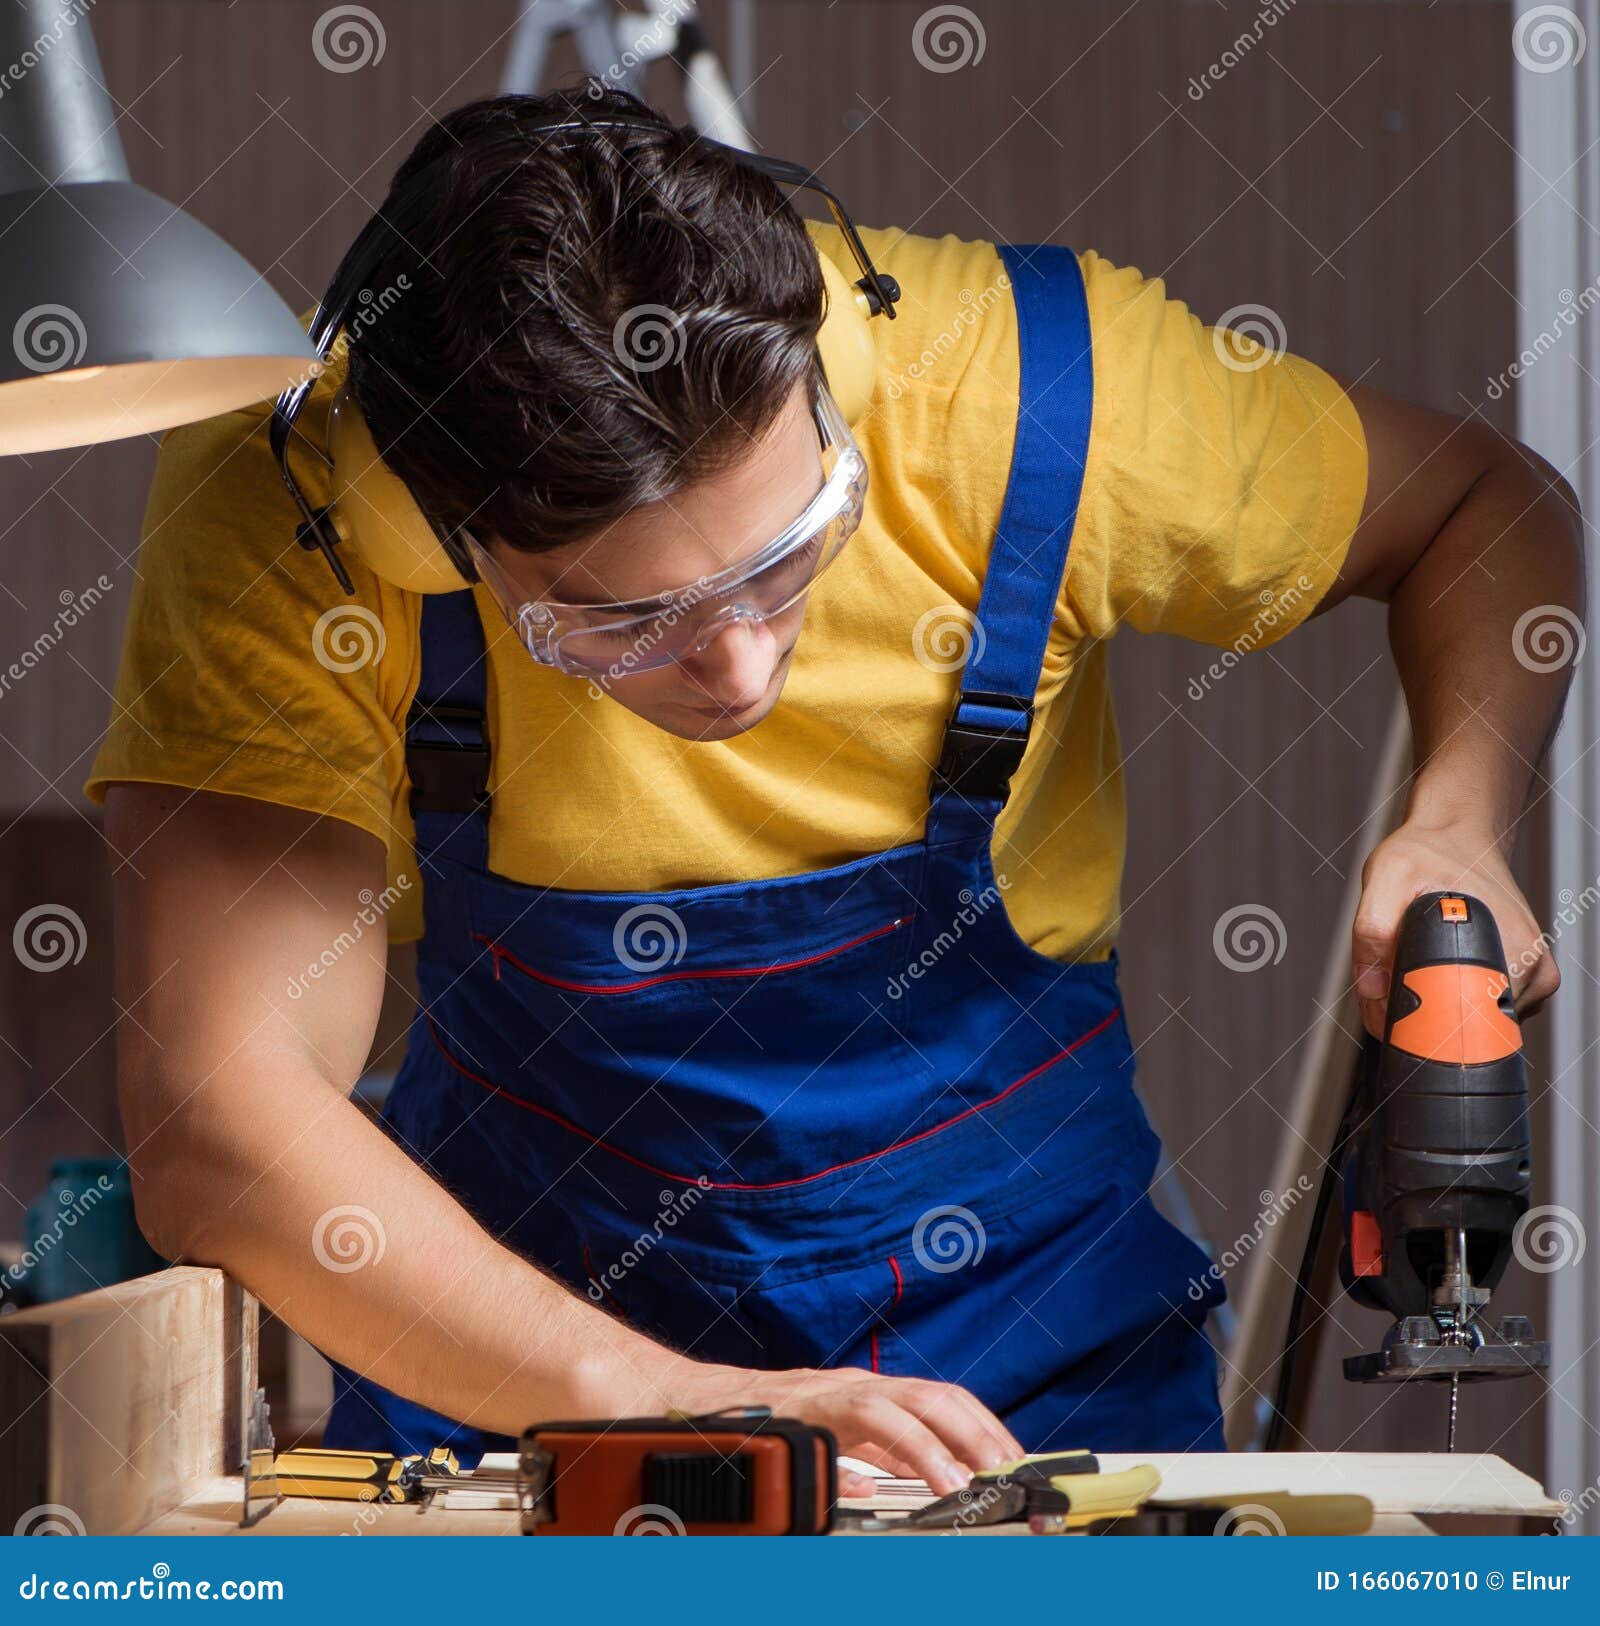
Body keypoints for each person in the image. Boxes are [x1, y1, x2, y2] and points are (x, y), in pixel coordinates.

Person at [91, 88, 1580, 1494]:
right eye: (625, 619)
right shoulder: (298, 507)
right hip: (517, 1389)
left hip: (1036, 1381)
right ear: (438, 537)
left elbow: (1478, 508)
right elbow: (221, 1114)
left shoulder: (1029, 393)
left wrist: (1461, 815)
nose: (738, 668)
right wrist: (657, 1397)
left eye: (788, 549)